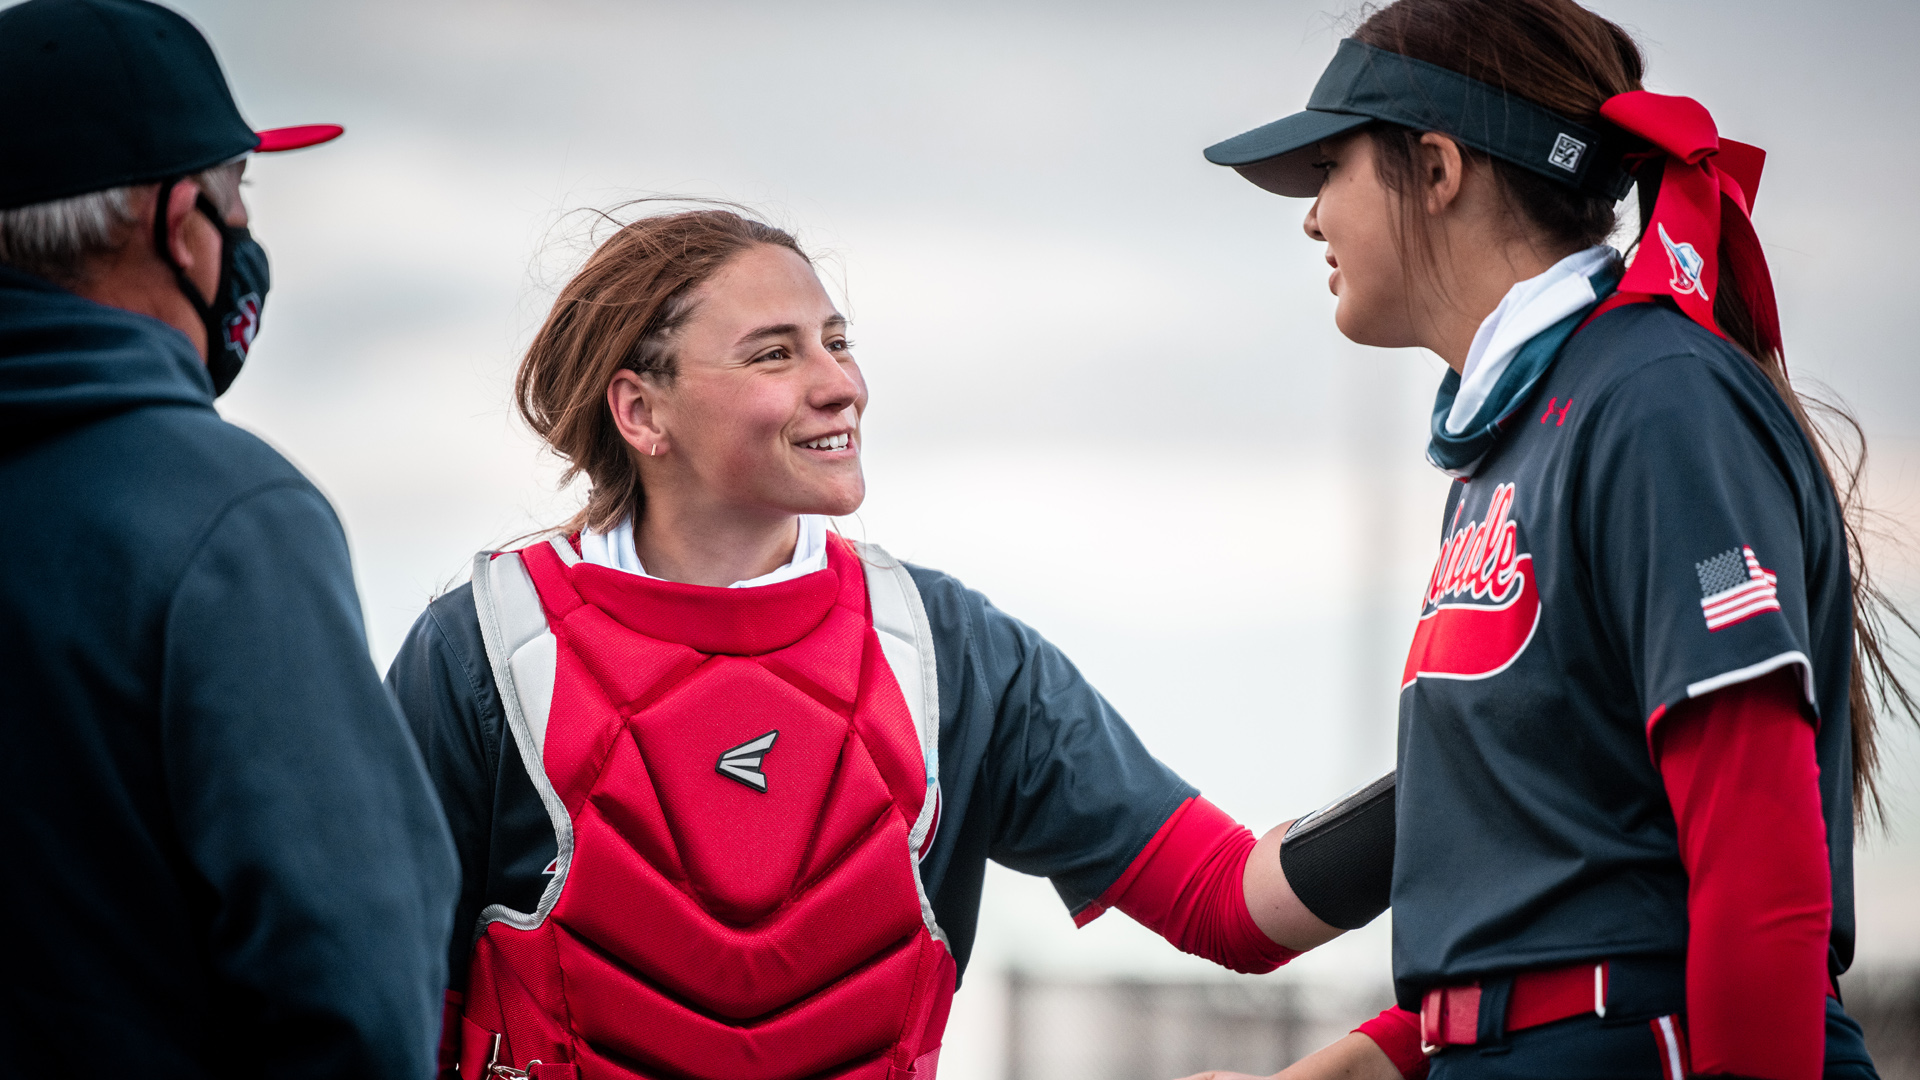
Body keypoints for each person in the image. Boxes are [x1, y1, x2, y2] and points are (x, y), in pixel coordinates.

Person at [385, 206, 1403, 1080]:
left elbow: (1234, 905)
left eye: (837, 339)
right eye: (776, 352)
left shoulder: (947, 653)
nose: (840, 383)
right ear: (641, 410)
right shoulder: (487, 649)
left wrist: (1483, 759)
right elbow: (374, 996)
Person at [1186, 1, 1903, 1078]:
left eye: (1330, 166)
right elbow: (1535, 892)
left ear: (1436, 170)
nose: (1310, 216)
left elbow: (1759, 877)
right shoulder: (1513, 431)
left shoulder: (1656, 401)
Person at [0, 1, 459, 1076]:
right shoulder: (228, 520)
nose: (246, 232)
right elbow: (358, 987)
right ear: (175, 220)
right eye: (238, 192)